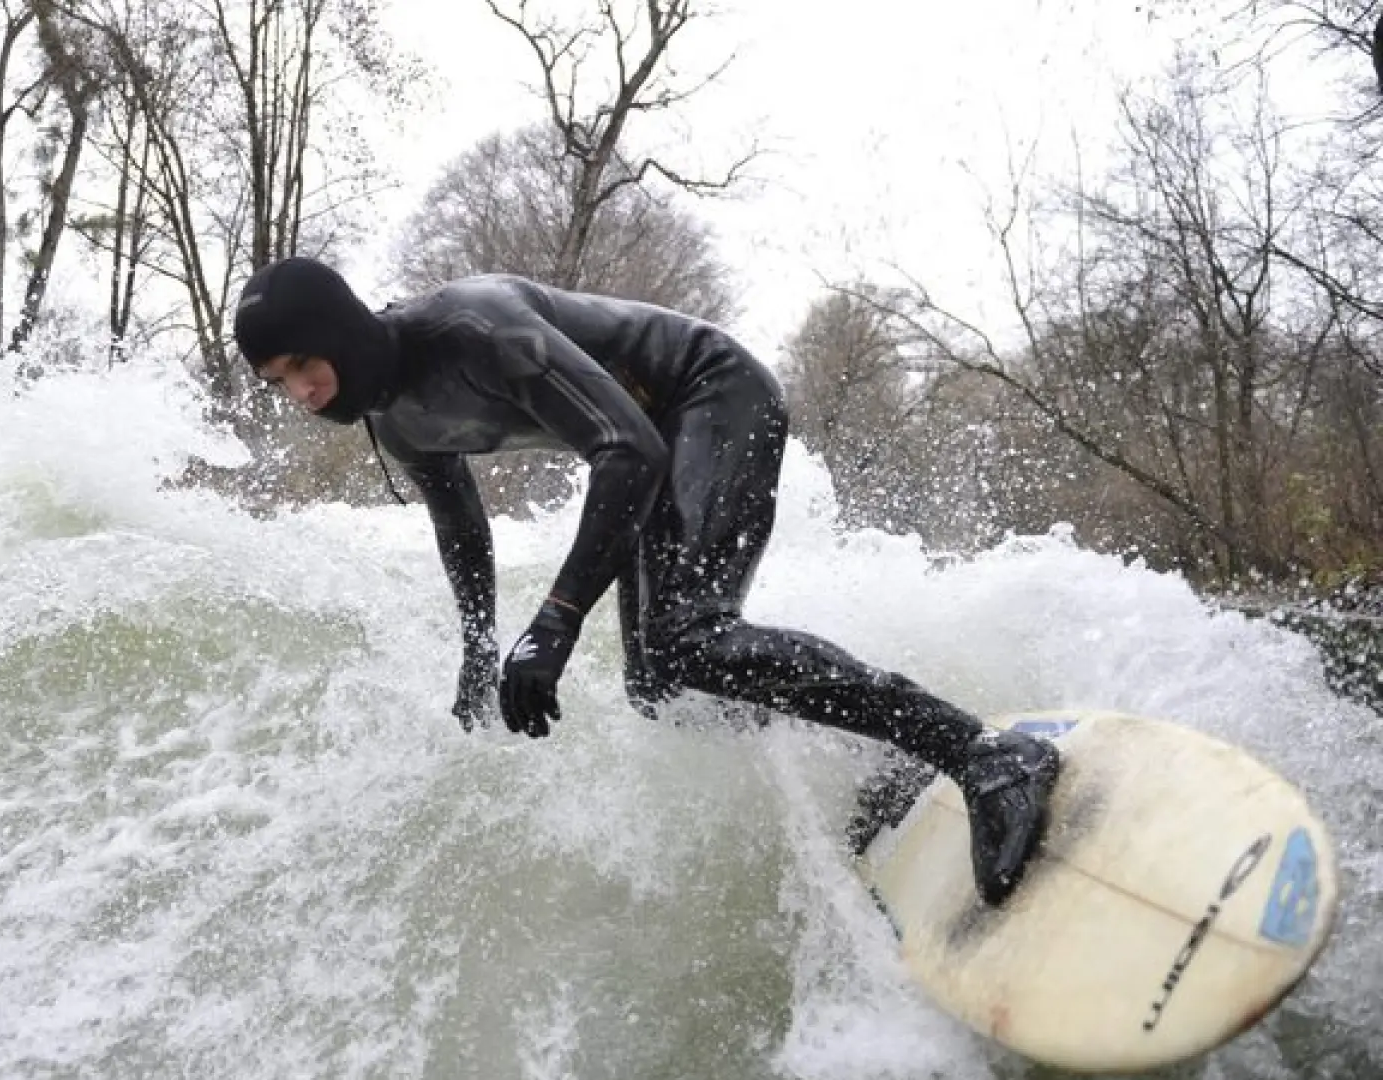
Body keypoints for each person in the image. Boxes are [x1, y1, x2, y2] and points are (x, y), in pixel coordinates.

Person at [232, 256, 1060, 906]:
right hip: (653, 440)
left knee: (690, 638)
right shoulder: (395, 420)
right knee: (661, 684)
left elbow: (627, 452)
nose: (302, 392)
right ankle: (888, 754)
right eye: (280, 382)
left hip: (713, 393)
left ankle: (986, 755)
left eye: (305, 363)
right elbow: (460, 524)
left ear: (341, 331)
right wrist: (479, 646)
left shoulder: (478, 329)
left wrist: (556, 620)